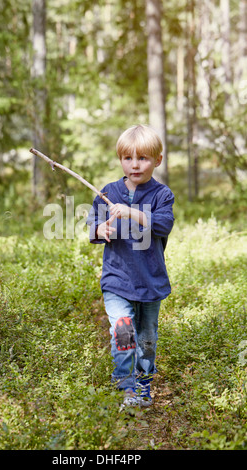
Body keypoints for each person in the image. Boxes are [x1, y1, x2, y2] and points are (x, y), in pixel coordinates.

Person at [86, 124, 175, 408]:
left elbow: (163, 223)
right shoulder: (108, 192)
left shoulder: (162, 195)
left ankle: (143, 384)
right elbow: (92, 222)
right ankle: (124, 385)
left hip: (150, 280)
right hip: (117, 280)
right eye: (128, 158)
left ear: (157, 160)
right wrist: (101, 230)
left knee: (147, 338)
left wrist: (132, 213)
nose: (135, 165)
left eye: (143, 158)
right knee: (123, 330)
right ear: (120, 159)